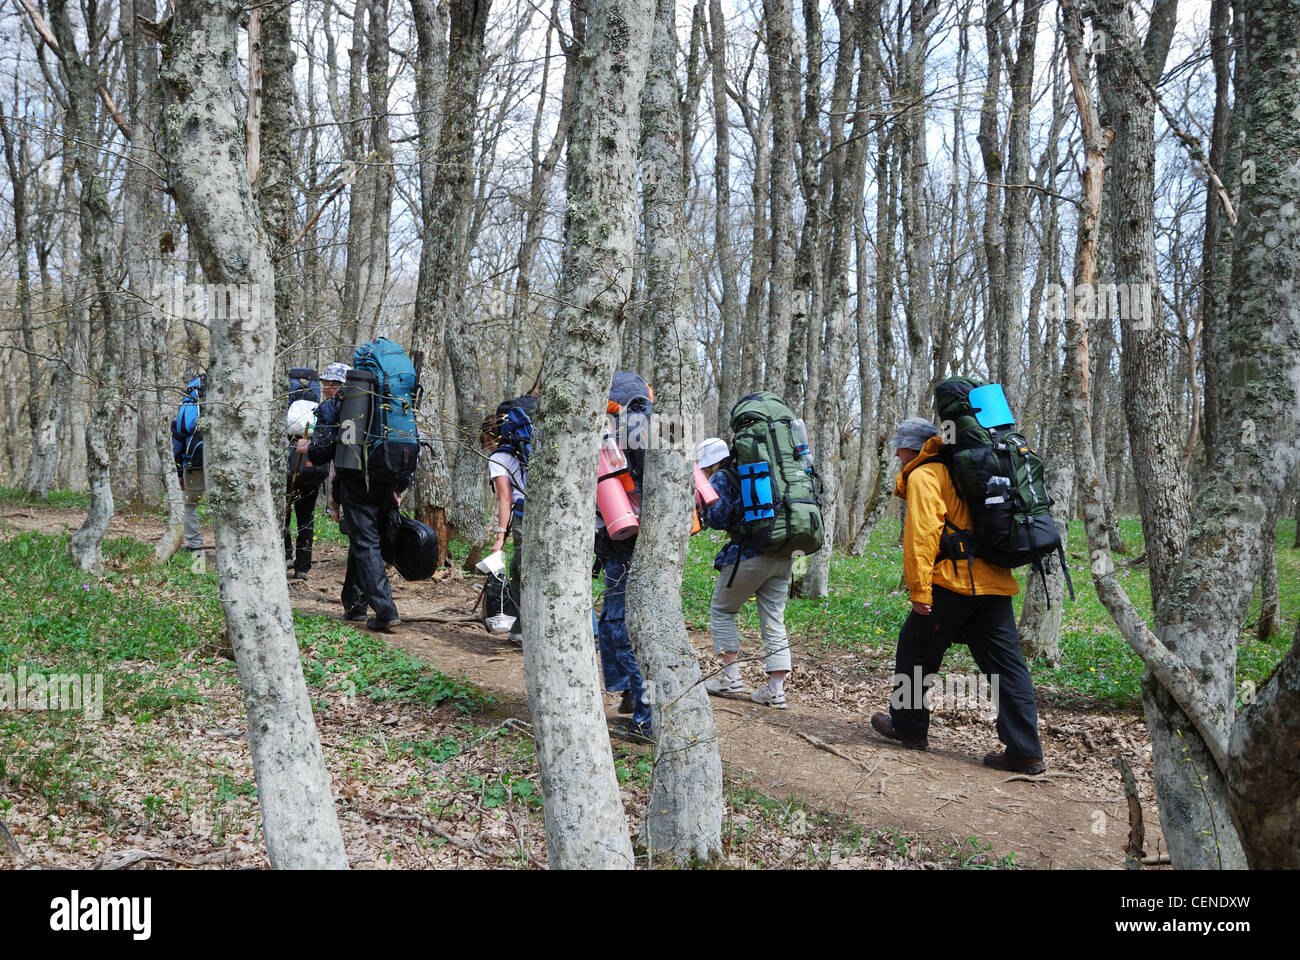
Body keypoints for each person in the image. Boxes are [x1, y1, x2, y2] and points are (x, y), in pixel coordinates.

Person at [869, 417, 1047, 775]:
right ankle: (1026, 751)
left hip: (953, 582)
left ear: (913, 447)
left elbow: (923, 535)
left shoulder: (925, 475)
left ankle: (908, 727)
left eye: (900, 448)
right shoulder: (968, 470)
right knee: (1008, 668)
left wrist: (919, 589)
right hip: (994, 581)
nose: (897, 455)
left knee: (915, 649)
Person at [300, 361, 405, 633]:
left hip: (356, 484)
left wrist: (308, 447)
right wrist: (398, 487)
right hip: (386, 480)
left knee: (366, 544)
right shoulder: (382, 405)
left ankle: (385, 611)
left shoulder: (333, 407)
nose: (324, 387)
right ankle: (355, 604)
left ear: (337, 385)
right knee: (364, 542)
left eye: (327, 382)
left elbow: (321, 453)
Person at [697, 436, 794, 709]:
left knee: (723, 609)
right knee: (774, 619)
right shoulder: (769, 471)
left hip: (750, 556)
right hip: (783, 554)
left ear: (713, 463)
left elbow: (716, 518)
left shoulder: (723, 477)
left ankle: (731, 677)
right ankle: (775, 691)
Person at [282, 368, 335, 579]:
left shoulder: (286, 408)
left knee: (283, 514)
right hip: (313, 467)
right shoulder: (320, 407)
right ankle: (303, 566)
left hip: (287, 463)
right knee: (306, 516)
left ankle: (285, 555)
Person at [482, 412, 527, 642]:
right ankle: (521, 628)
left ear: (490, 438)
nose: (486, 448)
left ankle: (523, 629)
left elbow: (505, 499)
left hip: (524, 515)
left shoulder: (498, 458)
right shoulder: (524, 451)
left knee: (520, 573)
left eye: (485, 442)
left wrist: (500, 537)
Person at [171, 374, 207, 553]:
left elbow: (179, 434)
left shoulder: (190, 401)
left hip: (195, 463)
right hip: (225, 464)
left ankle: (195, 549)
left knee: (190, 504)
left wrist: (178, 470)